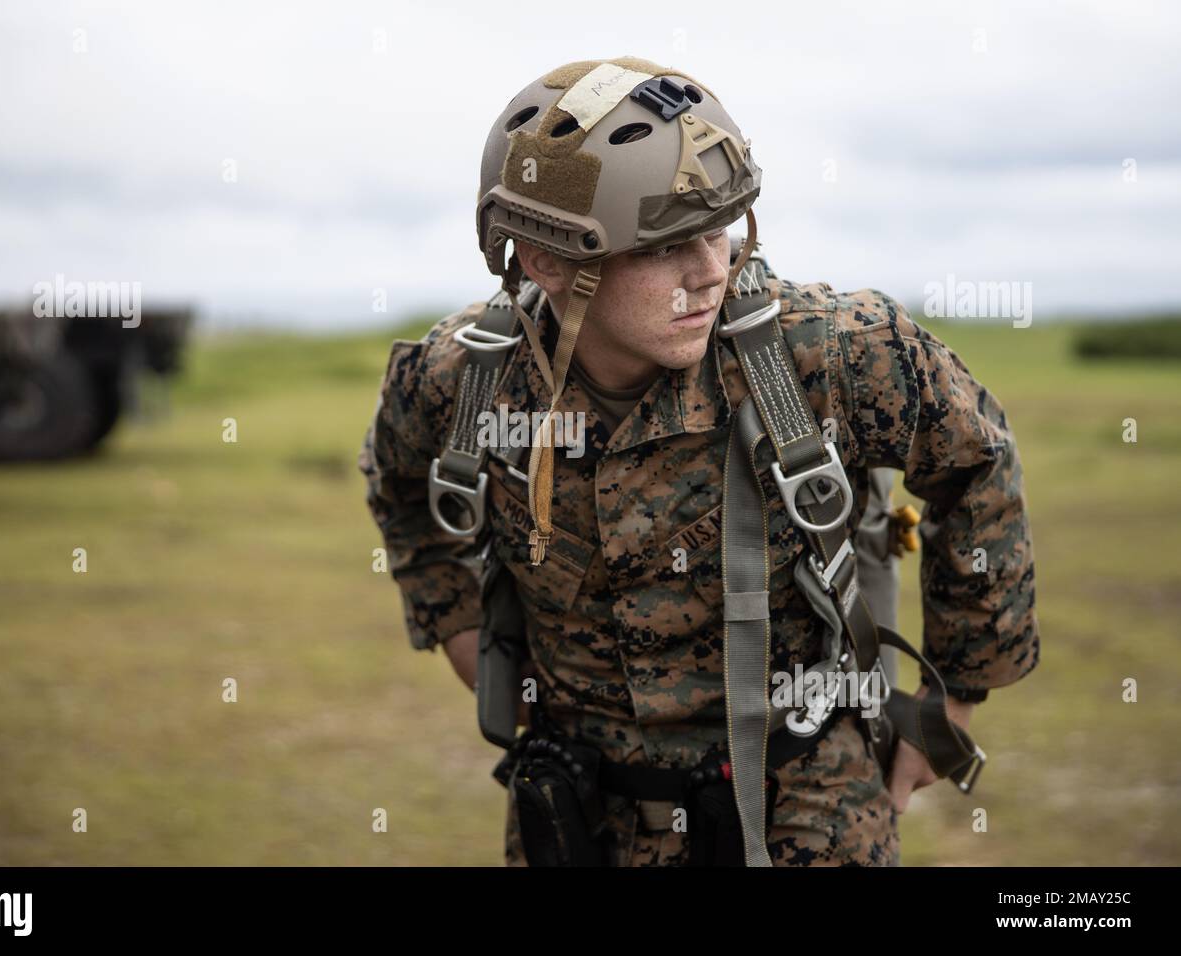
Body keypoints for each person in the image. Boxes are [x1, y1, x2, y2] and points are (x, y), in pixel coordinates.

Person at [359, 56, 1038, 866]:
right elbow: (397, 480)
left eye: (718, 229)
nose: (710, 270)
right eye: (664, 246)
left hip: (806, 808)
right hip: (577, 815)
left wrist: (954, 701)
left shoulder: (829, 355)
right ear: (544, 260)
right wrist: (459, 629)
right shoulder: (466, 380)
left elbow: (977, 463)